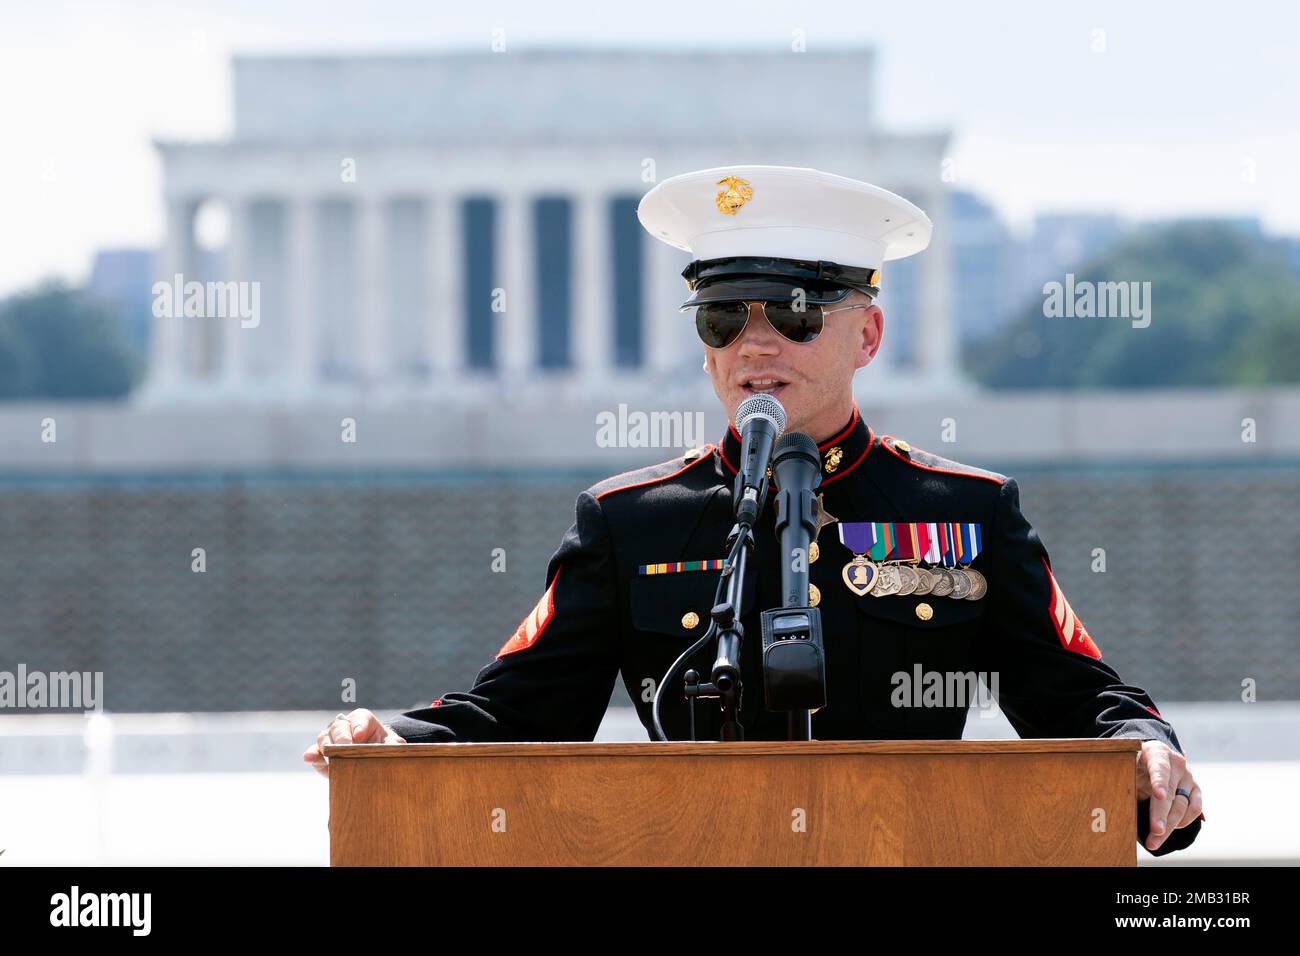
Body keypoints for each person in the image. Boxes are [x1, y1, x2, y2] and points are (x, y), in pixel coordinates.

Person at [303, 165, 1204, 856]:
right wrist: (398, 741)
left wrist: (1142, 749)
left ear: (868, 334)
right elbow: (515, 715)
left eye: (797, 313)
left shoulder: (967, 512)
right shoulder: (631, 522)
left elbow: (1080, 697)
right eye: (722, 316)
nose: (756, 344)